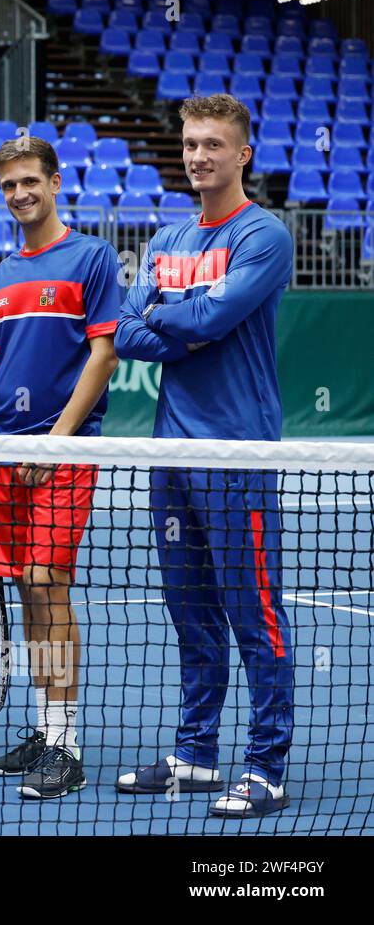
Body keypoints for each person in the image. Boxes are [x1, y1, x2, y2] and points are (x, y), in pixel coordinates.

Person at [114, 93, 295, 817]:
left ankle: (267, 767)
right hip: (172, 454)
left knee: (255, 614)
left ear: (242, 153)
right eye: (190, 143)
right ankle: (194, 754)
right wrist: (175, 322)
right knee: (190, 611)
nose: (198, 156)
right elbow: (127, 335)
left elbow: (218, 315)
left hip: (237, 453)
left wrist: (165, 316)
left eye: (213, 144)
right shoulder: (167, 240)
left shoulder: (266, 236)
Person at [0, 136, 119, 799]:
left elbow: (104, 357)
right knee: (26, 589)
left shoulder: (91, 257)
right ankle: (42, 727)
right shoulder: (4, 272)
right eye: (9, 185)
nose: (20, 194)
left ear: (55, 183)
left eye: (30, 181)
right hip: (2, 454)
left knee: (47, 582)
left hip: (62, 452)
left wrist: (54, 442)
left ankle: (66, 747)